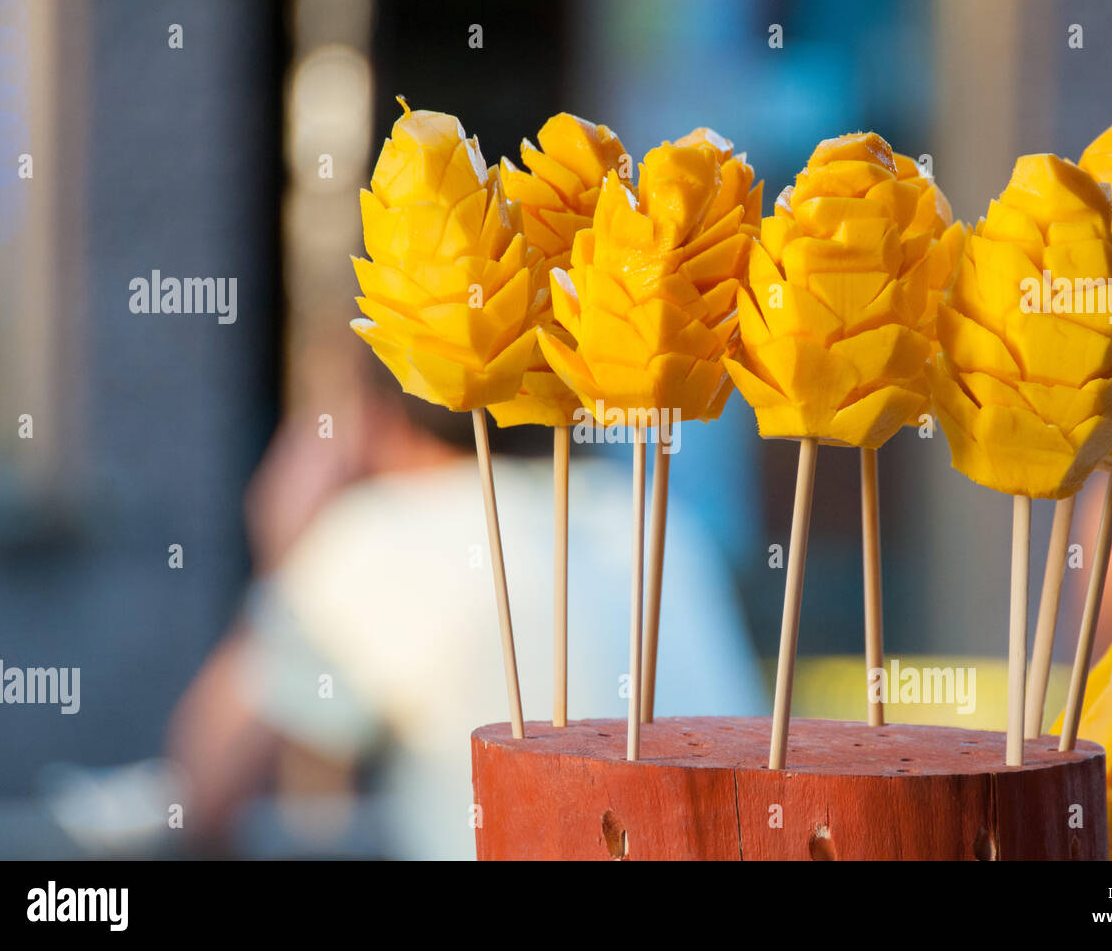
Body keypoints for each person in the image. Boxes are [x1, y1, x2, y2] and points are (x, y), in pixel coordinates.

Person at [168, 363, 767, 859]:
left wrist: (283, 559)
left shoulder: (385, 534)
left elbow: (207, 783)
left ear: (378, 414)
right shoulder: (655, 522)